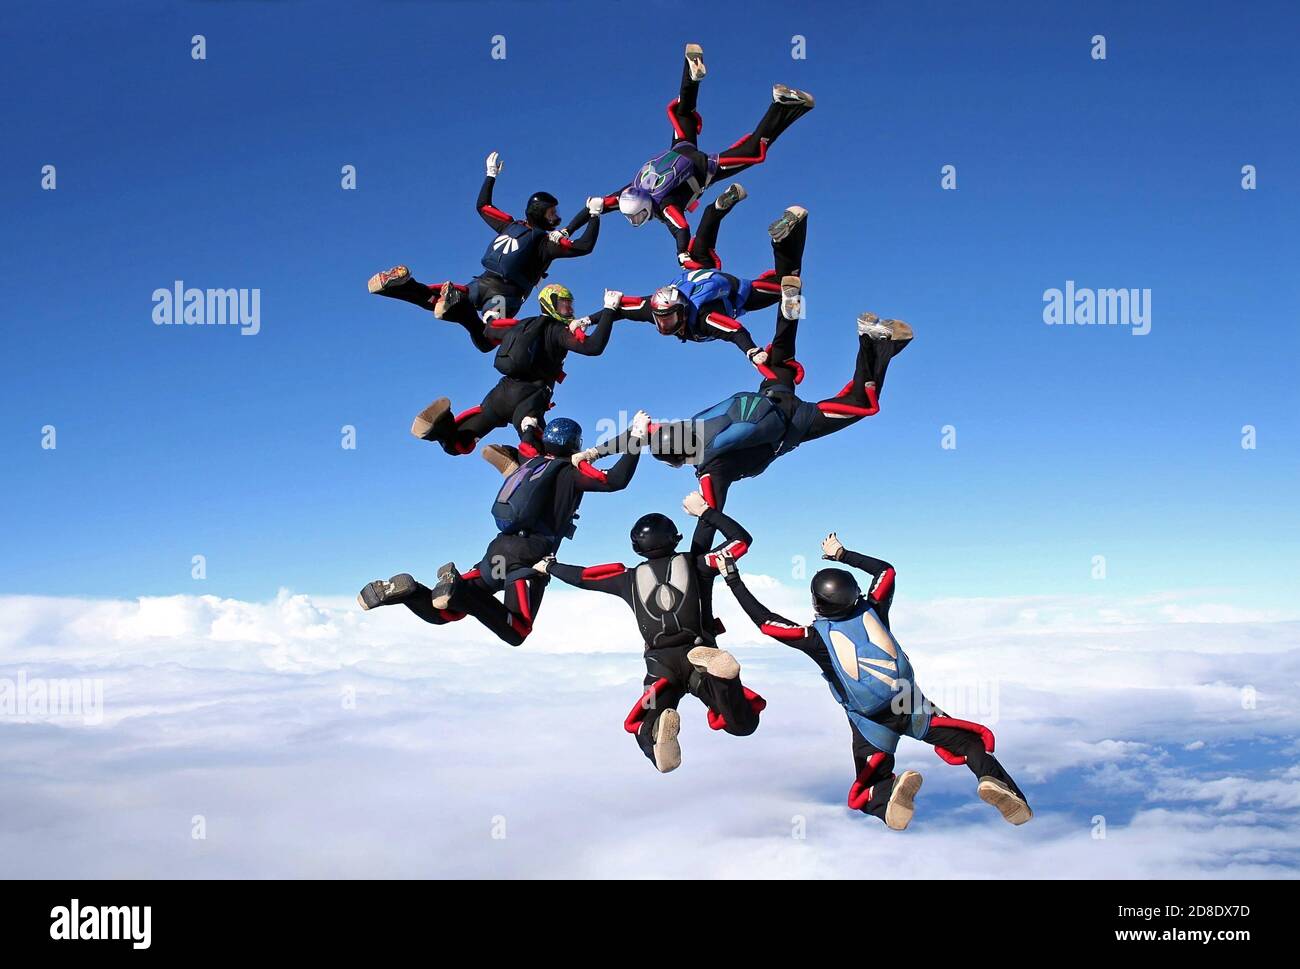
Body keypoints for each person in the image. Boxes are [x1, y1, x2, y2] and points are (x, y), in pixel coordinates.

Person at [719, 534, 1033, 831]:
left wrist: (732, 578)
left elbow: (766, 621)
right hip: (910, 704)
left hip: (871, 723)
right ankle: (994, 782)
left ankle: (885, 798)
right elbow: (886, 571)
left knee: (869, 781)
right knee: (968, 743)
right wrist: (841, 554)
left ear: (817, 603)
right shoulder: (874, 609)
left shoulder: (815, 638)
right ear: (853, 592)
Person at [588, 278, 912, 554]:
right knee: (783, 351)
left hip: (796, 423)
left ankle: (869, 342)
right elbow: (636, 436)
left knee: (861, 404)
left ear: (679, 461)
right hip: (770, 391)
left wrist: (695, 552)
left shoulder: (710, 470)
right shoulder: (687, 427)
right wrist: (591, 452)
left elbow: (709, 521)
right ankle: (792, 299)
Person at [358, 413, 649, 646]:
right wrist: (636, 438)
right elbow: (616, 480)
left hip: (499, 550)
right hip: (529, 559)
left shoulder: (531, 461)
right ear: (575, 444)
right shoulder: (570, 475)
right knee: (517, 630)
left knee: (445, 612)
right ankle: (460, 590)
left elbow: (527, 437)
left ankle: (410, 591)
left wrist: (529, 424)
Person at [539, 493, 764, 772]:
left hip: (660, 667)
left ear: (637, 548)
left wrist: (550, 566)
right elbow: (741, 541)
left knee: (644, 724)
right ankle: (723, 680)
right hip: (698, 656)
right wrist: (705, 512)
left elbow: (584, 577)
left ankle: (656, 734)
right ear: (676, 538)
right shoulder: (698, 564)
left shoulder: (626, 579)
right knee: (741, 723)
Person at [567, 44, 814, 262]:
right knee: (684, 114)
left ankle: (780, 105)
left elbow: (681, 227)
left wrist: (682, 253)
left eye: (635, 217)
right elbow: (598, 204)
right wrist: (567, 229)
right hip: (681, 149)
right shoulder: (628, 192)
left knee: (752, 151)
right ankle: (691, 74)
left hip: (704, 167)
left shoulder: (664, 206)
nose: (634, 221)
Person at [367, 151, 604, 349]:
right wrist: (594, 215)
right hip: (504, 294)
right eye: (552, 213)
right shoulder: (545, 243)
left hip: (480, 283)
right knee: (488, 339)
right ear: (541, 214)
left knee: (433, 299)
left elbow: (483, 206)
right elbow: (584, 247)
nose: (557, 217)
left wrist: (490, 176)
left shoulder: (510, 225)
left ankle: (405, 284)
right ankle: (461, 310)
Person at [409, 284, 624, 457]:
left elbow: (490, 330)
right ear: (551, 305)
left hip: (502, 393)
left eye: (570, 305)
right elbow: (593, 347)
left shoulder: (523, 325)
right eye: (564, 305)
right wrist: (609, 309)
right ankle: (518, 463)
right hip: (530, 397)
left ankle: (439, 429)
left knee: (459, 444)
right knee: (539, 450)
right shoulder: (557, 332)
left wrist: (488, 314)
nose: (570, 309)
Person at [616, 203, 808, 370]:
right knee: (702, 248)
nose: (667, 325)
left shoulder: (702, 319)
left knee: (791, 283)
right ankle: (715, 209)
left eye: (670, 319)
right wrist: (592, 318)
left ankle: (779, 243)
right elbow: (625, 308)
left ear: (682, 310)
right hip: (700, 270)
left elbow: (733, 330)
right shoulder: (656, 308)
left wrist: (751, 351)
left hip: (740, 294)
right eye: (661, 321)